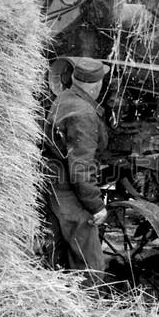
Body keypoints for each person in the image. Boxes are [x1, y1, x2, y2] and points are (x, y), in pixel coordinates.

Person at [43, 57, 110, 285]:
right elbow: (80, 168)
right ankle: (88, 310)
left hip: (54, 183)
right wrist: (96, 206)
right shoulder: (83, 113)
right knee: (89, 261)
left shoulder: (65, 98)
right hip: (69, 190)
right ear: (95, 86)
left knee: (60, 253)